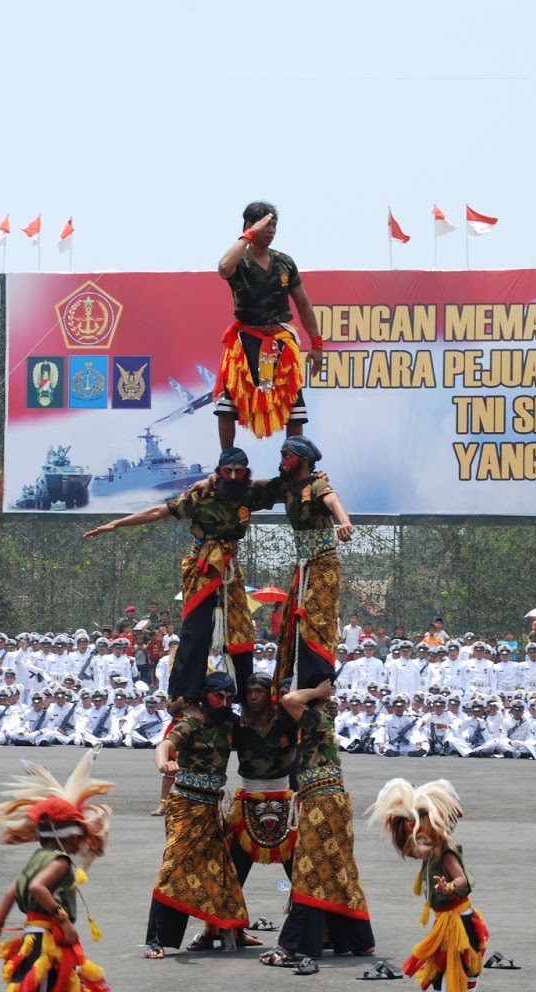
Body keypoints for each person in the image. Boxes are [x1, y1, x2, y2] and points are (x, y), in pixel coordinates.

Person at [0, 751, 144, 992]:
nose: (82, 841)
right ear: (68, 837)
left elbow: (12, 891)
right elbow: (38, 889)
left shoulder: (38, 857)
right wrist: (63, 919)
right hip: (46, 945)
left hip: (44, 940)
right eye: (79, 835)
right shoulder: (57, 862)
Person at [85, 451, 274, 704]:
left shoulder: (249, 493)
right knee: (196, 632)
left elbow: (281, 487)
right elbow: (157, 512)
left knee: (241, 630)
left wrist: (316, 478)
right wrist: (117, 523)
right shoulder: (201, 495)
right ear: (218, 471)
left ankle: (244, 696)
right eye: (226, 470)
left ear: (246, 473)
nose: (232, 475)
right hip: (202, 567)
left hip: (230, 569)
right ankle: (185, 694)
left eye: (238, 471)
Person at [368, 778, 494, 992]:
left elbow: (463, 880)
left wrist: (449, 886)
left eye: (422, 832)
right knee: (455, 977)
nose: (420, 839)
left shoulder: (446, 850)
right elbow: (414, 850)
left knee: (448, 982)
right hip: (452, 922)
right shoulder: (432, 850)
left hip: (458, 924)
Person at [264, 677, 375, 966]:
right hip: (325, 800)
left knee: (309, 871)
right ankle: (359, 941)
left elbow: (289, 702)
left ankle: (291, 946)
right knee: (337, 869)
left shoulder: (317, 717)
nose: (286, 696)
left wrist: (318, 692)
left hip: (324, 802)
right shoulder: (310, 724)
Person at [145, 672, 248, 957]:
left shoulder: (229, 722)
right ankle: (156, 940)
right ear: (205, 697)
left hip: (211, 808)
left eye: (229, 698)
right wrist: (164, 764)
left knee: (221, 868)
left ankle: (230, 929)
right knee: (173, 867)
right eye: (219, 697)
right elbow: (164, 746)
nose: (225, 702)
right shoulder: (191, 723)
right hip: (185, 807)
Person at [214, 201, 325, 445]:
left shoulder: (285, 262)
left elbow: (304, 305)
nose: (272, 230)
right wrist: (248, 236)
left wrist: (316, 344)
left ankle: (295, 461)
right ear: (250, 226)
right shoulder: (239, 262)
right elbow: (223, 268)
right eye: (267, 225)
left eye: (275, 225)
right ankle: (228, 462)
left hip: (280, 342)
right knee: (227, 405)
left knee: (293, 407)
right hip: (246, 342)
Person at [201, 675, 295, 954]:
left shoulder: (287, 720)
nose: (254, 696)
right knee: (233, 872)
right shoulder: (234, 722)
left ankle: (319, 931)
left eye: (260, 691)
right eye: (250, 691)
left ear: (271, 695)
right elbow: (208, 710)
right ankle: (224, 930)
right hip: (247, 804)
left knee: (300, 873)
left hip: (284, 803)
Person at [261, 437, 354, 698]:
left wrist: (344, 522)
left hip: (323, 564)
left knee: (317, 621)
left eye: (286, 456)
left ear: (302, 460)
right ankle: (294, 681)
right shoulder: (286, 487)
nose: (281, 462)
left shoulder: (317, 484)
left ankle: (319, 685)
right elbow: (258, 486)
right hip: (302, 567)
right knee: (296, 623)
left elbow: (333, 501)